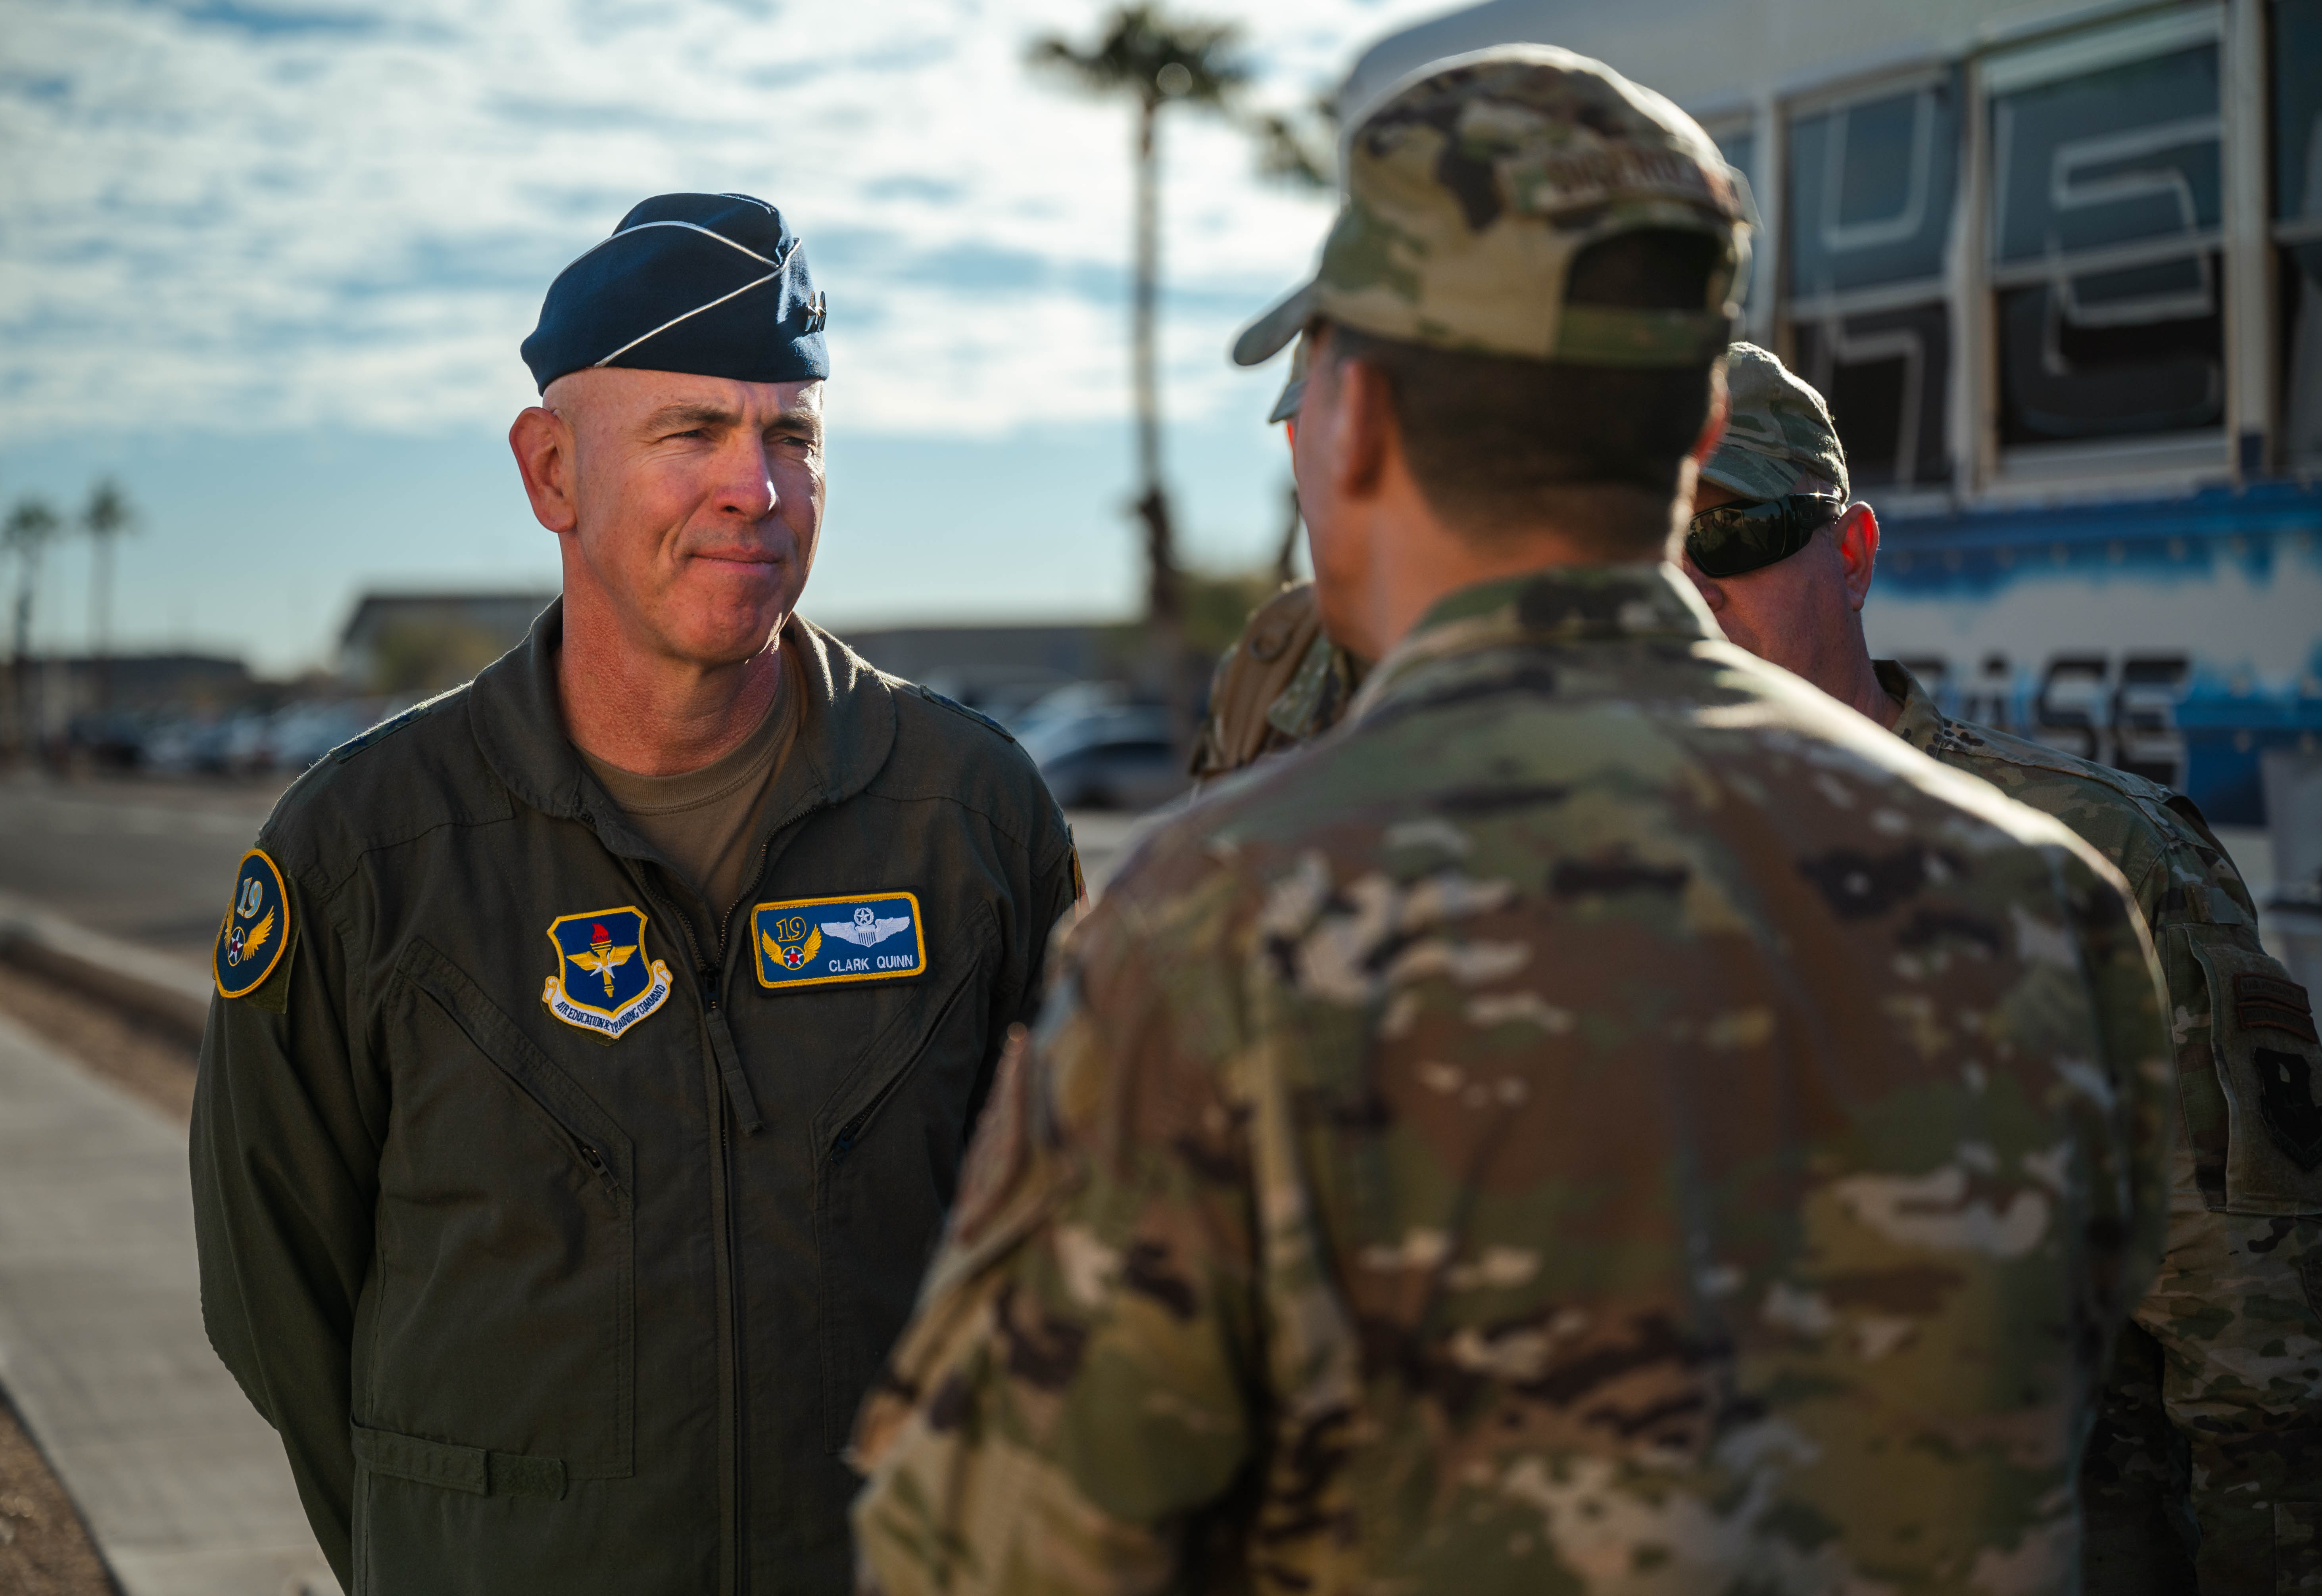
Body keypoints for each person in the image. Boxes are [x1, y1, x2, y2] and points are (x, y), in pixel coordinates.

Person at [850, 49, 2172, 1593]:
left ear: (1352, 430)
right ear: (1688, 443)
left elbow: (998, 1555)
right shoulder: (2041, 900)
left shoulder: (1222, 925)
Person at [190, 193, 1081, 1596]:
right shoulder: (366, 850)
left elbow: (1070, 1247)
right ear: (552, 473)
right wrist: (461, 1544)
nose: (758, 487)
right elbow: (273, 1291)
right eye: (693, 433)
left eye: (792, 435)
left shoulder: (967, 818)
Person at [1676, 342, 2322, 1594]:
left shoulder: (2093, 862)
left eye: (1740, 533)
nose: (1696, 593)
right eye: (1650, 561)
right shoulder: (1591, 881)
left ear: (1853, 556)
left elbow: (2269, 1375)